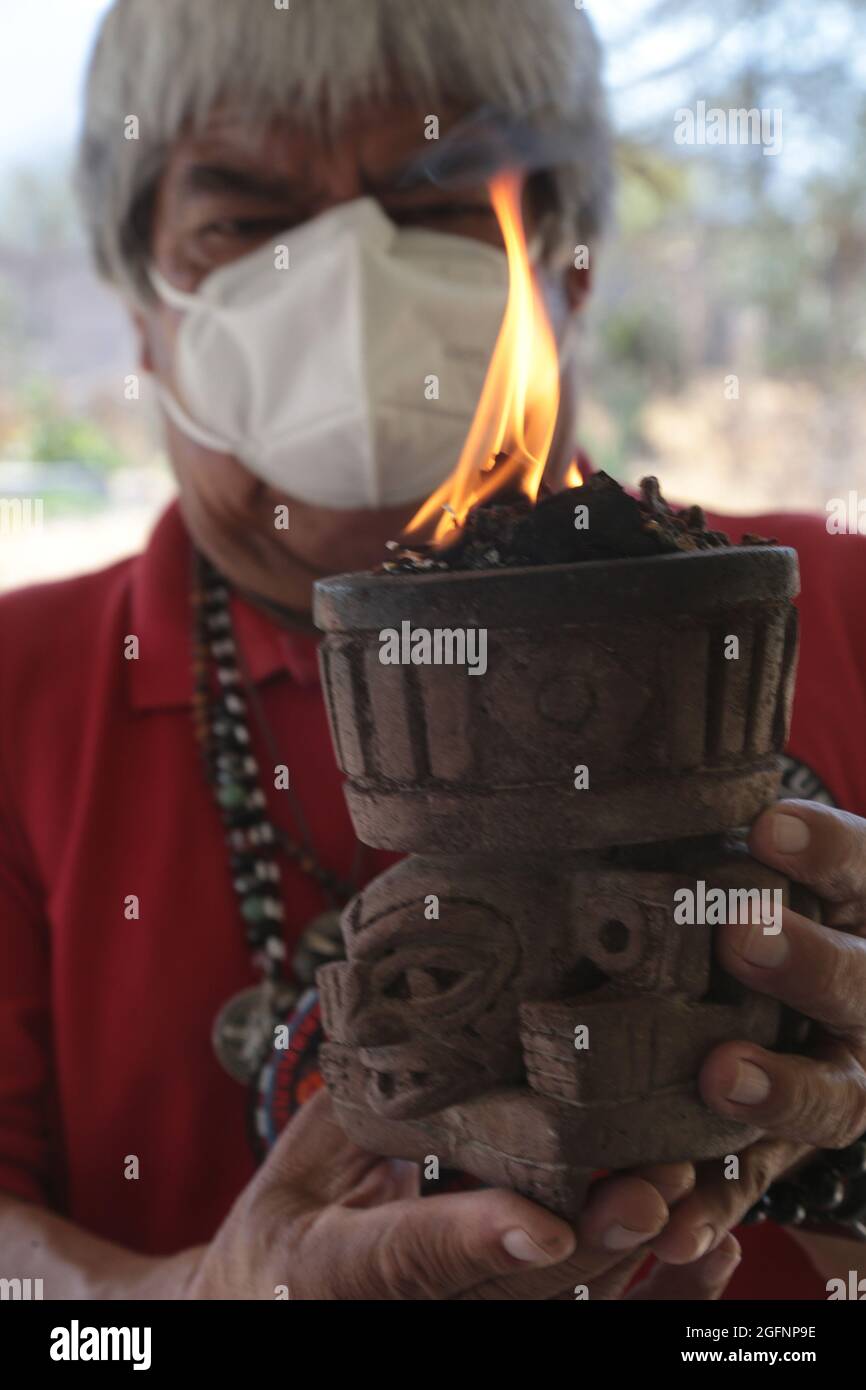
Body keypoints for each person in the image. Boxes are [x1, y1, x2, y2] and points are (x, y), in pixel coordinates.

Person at [1, 0, 864, 1301]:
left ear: (566, 268)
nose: (348, 283)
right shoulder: (22, 694)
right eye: (246, 223)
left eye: (438, 202)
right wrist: (196, 1304)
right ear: (144, 312)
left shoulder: (821, 613)